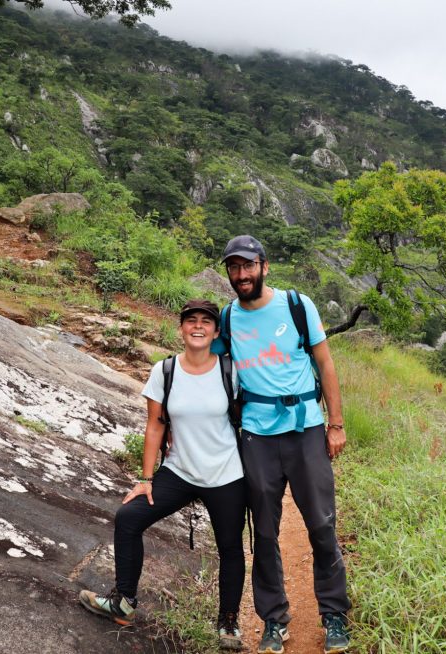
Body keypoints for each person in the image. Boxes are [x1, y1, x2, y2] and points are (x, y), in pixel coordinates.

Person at [79, 299, 246, 651]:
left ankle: (228, 621)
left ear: (216, 331)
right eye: (191, 321)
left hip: (226, 474)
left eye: (206, 322)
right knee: (128, 518)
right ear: (181, 328)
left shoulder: (231, 370)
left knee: (231, 548)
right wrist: (146, 477)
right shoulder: (165, 371)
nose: (197, 327)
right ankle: (124, 602)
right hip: (179, 471)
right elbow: (155, 425)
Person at [218, 235, 351, 654]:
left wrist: (336, 424)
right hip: (257, 435)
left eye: (248, 266)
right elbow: (212, 368)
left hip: (306, 428)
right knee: (265, 533)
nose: (242, 275)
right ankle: (273, 620)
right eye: (234, 268)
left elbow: (324, 362)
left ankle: (333, 615)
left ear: (264, 265)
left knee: (321, 524)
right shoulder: (227, 318)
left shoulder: (297, 305)